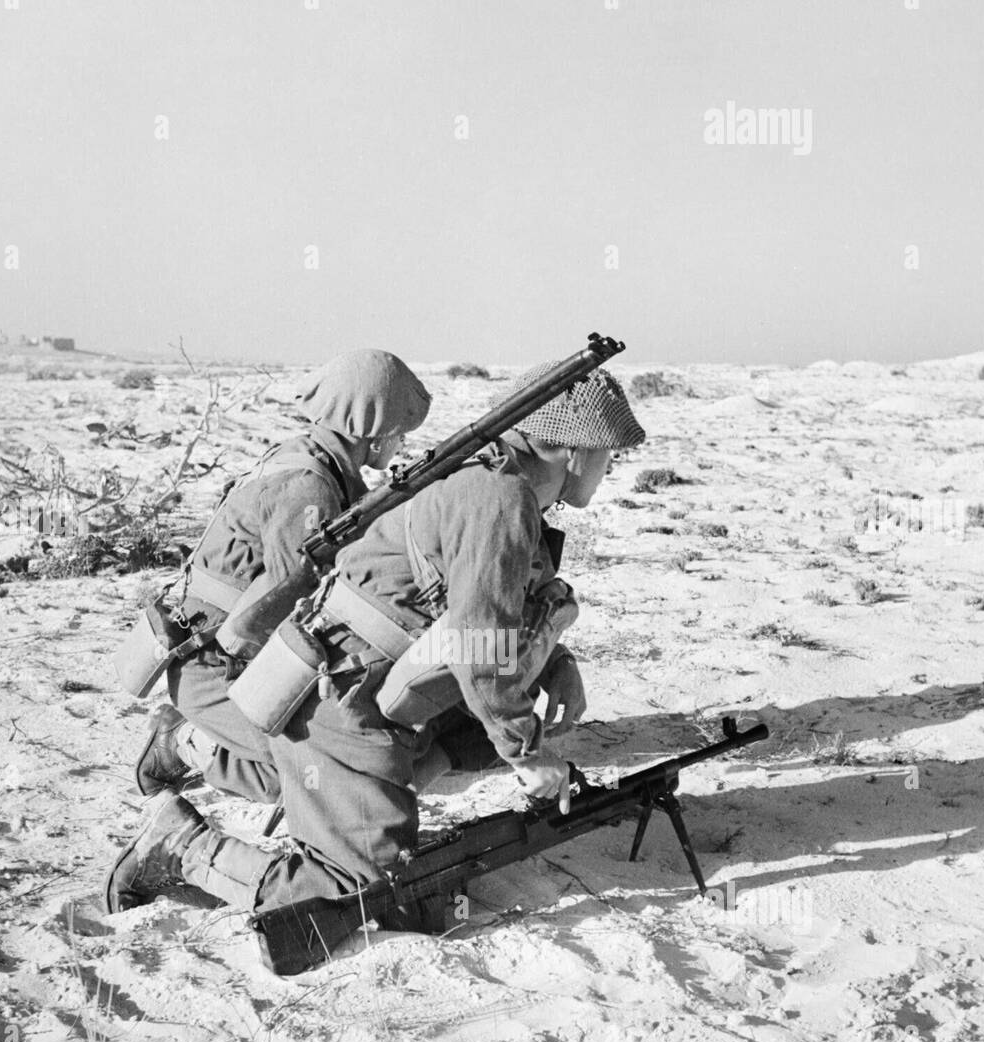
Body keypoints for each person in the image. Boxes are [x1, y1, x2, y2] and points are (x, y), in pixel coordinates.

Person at [106, 362, 645, 922]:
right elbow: (480, 646)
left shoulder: (492, 483)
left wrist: (554, 661)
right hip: (337, 699)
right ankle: (178, 847)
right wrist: (529, 755)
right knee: (364, 892)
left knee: (491, 722)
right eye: (610, 454)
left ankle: (371, 785)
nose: (609, 469)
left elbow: (490, 611)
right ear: (574, 451)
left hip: (361, 686)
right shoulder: (499, 498)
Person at [132, 349, 431, 806]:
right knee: (301, 770)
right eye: (398, 434)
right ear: (372, 433)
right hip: (212, 664)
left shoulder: (323, 462)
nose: (401, 445)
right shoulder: (309, 489)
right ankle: (182, 743)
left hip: (225, 650)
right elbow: (292, 610)